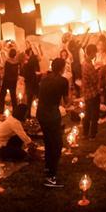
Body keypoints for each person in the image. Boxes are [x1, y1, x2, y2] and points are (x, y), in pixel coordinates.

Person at [37, 57, 68, 188]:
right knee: (57, 144)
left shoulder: (44, 79)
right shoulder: (63, 81)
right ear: (62, 68)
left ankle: (48, 167)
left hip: (41, 113)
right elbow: (66, 100)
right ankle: (51, 177)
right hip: (52, 114)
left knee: (48, 141)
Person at [81, 45, 101, 139]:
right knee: (94, 115)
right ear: (91, 52)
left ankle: (85, 133)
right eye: (95, 53)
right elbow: (94, 79)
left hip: (87, 93)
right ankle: (92, 134)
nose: (95, 55)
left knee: (88, 114)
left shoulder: (85, 63)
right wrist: (99, 73)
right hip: (92, 93)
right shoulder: (88, 65)